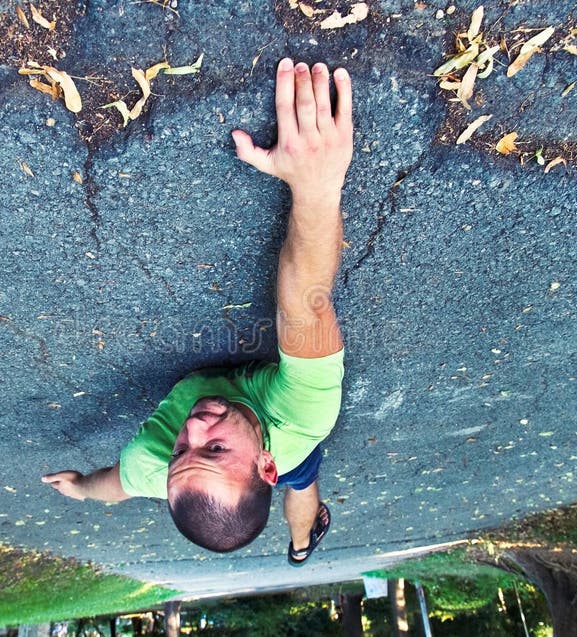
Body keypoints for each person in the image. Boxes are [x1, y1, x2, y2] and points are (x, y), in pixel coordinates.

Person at [42, 58, 353, 565]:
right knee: (304, 479)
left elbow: (115, 486)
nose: (190, 431)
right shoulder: (303, 419)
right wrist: (318, 184)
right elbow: (306, 302)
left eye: (181, 453)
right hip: (292, 447)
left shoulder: (150, 464)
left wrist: (79, 489)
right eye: (214, 450)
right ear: (263, 465)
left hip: (261, 444)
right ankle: (301, 543)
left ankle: (296, 544)